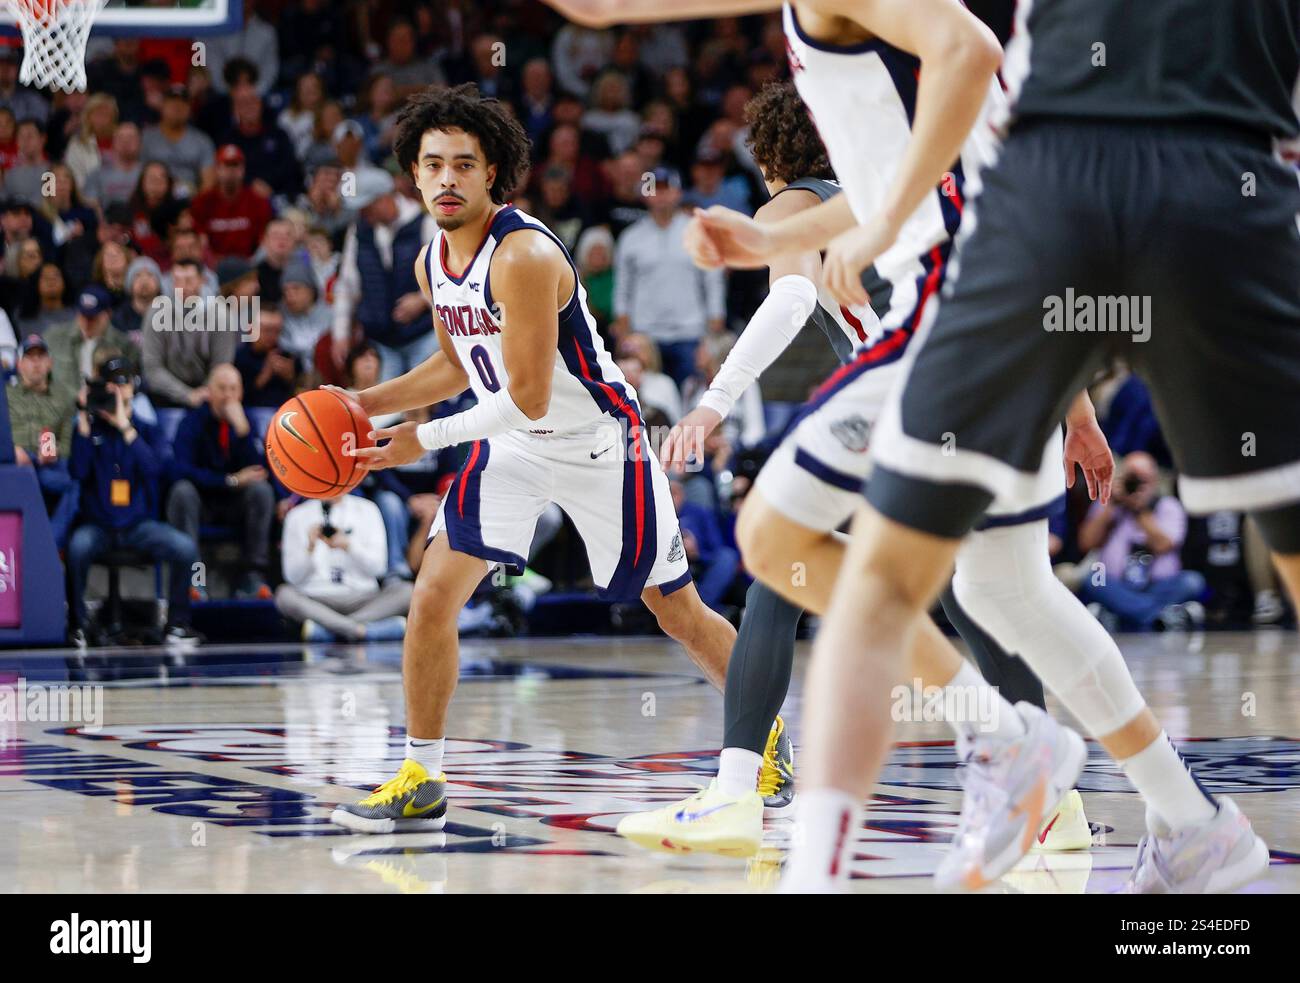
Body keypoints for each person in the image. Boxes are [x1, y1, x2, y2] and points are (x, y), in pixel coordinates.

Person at [562, 0, 1287, 894]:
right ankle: (1192, 822)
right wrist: (777, 237)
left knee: (776, 533)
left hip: (962, 290)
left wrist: (863, 236)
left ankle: (990, 739)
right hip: (1025, 276)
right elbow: (931, 166)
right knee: (1004, 585)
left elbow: (970, 55)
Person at [329, 83, 743, 834]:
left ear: (493, 174)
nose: (447, 178)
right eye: (433, 165)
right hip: (513, 445)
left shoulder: (520, 253)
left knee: (674, 610)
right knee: (431, 599)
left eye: (464, 163)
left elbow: (523, 393)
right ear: (413, 176)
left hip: (599, 445)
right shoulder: (433, 262)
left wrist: (419, 438)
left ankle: (763, 741)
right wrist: (366, 404)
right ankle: (422, 774)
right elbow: (457, 368)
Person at [66, 352, 202, 648]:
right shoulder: (91, 429)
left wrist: (125, 426)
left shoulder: (145, 428)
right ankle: (79, 625)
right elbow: (77, 470)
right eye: (111, 383)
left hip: (137, 525)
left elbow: (155, 470)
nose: (117, 389)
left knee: (184, 547)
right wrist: (83, 418)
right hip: (98, 525)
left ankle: (177, 624)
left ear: (133, 388)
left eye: (123, 382)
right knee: (77, 548)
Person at [165, 363, 276, 598]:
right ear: (209, 391)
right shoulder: (192, 421)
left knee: (262, 492)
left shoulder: (246, 423)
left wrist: (244, 432)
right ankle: (195, 579)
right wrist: (229, 480)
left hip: (235, 504)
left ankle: (252, 579)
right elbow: (180, 470)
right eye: (222, 388)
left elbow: (261, 470)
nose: (228, 395)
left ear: (241, 392)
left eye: (233, 389)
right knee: (182, 491)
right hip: (201, 502)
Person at [610, 164, 725, 385]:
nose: (660, 195)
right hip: (645, 334)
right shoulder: (631, 237)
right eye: (654, 189)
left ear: (678, 192)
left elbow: (713, 281)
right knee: (649, 399)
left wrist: (714, 326)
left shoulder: (698, 231)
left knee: (692, 395)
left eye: (665, 188)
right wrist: (624, 329)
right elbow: (622, 286)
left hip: (690, 332)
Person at [1077, 452, 1206, 630]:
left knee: (1192, 581)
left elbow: (1163, 545)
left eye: (1142, 481)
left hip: (1157, 585)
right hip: (1117, 585)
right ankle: (1159, 617)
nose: (1136, 486)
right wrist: (1111, 506)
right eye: (1131, 479)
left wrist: (1140, 510)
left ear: (1154, 482)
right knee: (1092, 579)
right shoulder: (1108, 504)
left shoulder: (1168, 506)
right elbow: (1086, 543)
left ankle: (1123, 613)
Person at [329, 168, 436, 378]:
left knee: (427, 406)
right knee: (384, 410)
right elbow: (347, 285)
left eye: (367, 208)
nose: (364, 215)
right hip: (381, 342)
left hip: (424, 335)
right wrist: (340, 334)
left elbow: (450, 279)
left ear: (384, 198)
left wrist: (422, 299)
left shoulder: (426, 223)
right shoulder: (358, 231)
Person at [275, 493, 412, 642]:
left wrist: (349, 546)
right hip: (317, 597)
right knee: (284, 595)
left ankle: (331, 630)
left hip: (363, 597)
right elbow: (292, 577)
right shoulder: (297, 515)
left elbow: (378, 569)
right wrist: (310, 547)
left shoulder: (368, 509)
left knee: (408, 591)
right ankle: (363, 631)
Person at [7, 334, 77, 549]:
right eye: (30, 357)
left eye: (40, 356)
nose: (36, 362)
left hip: (48, 466)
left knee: (76, 485)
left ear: (50, 363)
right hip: (14, 464)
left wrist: (54, 452)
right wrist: (12, 450)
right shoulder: (5, 395)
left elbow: (67, 445)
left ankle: (50, 544)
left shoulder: (64, 398)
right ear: (19, 364)